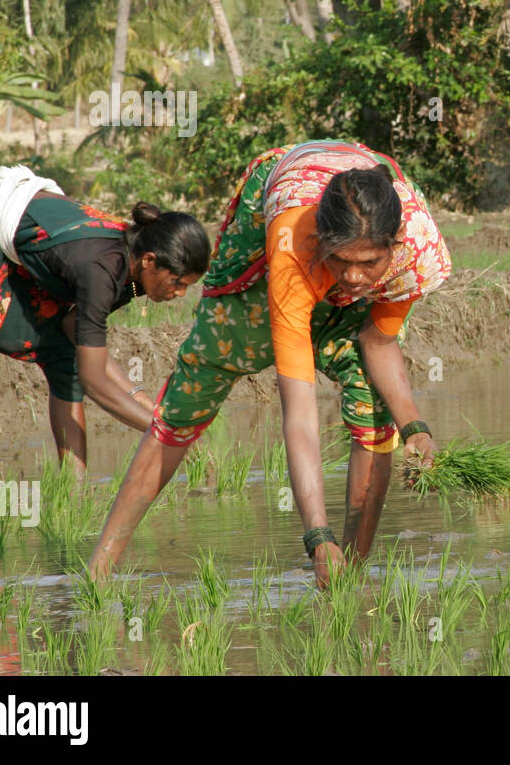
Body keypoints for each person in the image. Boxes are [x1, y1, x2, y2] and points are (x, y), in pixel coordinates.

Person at [87, 139, 452, 587]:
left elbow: (378, 342)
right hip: (269, 235)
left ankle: (347, 579)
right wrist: (316, 535)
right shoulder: (294, 246)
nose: (355, 276)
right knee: (199, 380)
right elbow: (299, 416)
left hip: (344, 223)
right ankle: (99, 570)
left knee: (376, 406)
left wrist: (416, 429)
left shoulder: (417, 255)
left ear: (393, 247)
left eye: (369, 263)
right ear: (322, 243)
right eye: (342, 261)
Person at [0, 166, 208, 473]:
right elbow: (95, 381)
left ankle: (73, 499)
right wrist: (170, 435)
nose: (180, 293)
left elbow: (73, 328)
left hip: (15, 242)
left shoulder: (132, 270)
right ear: (150, 261)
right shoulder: (100, 269)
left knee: (65, 357)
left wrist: (150, 408)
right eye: (178, 282)